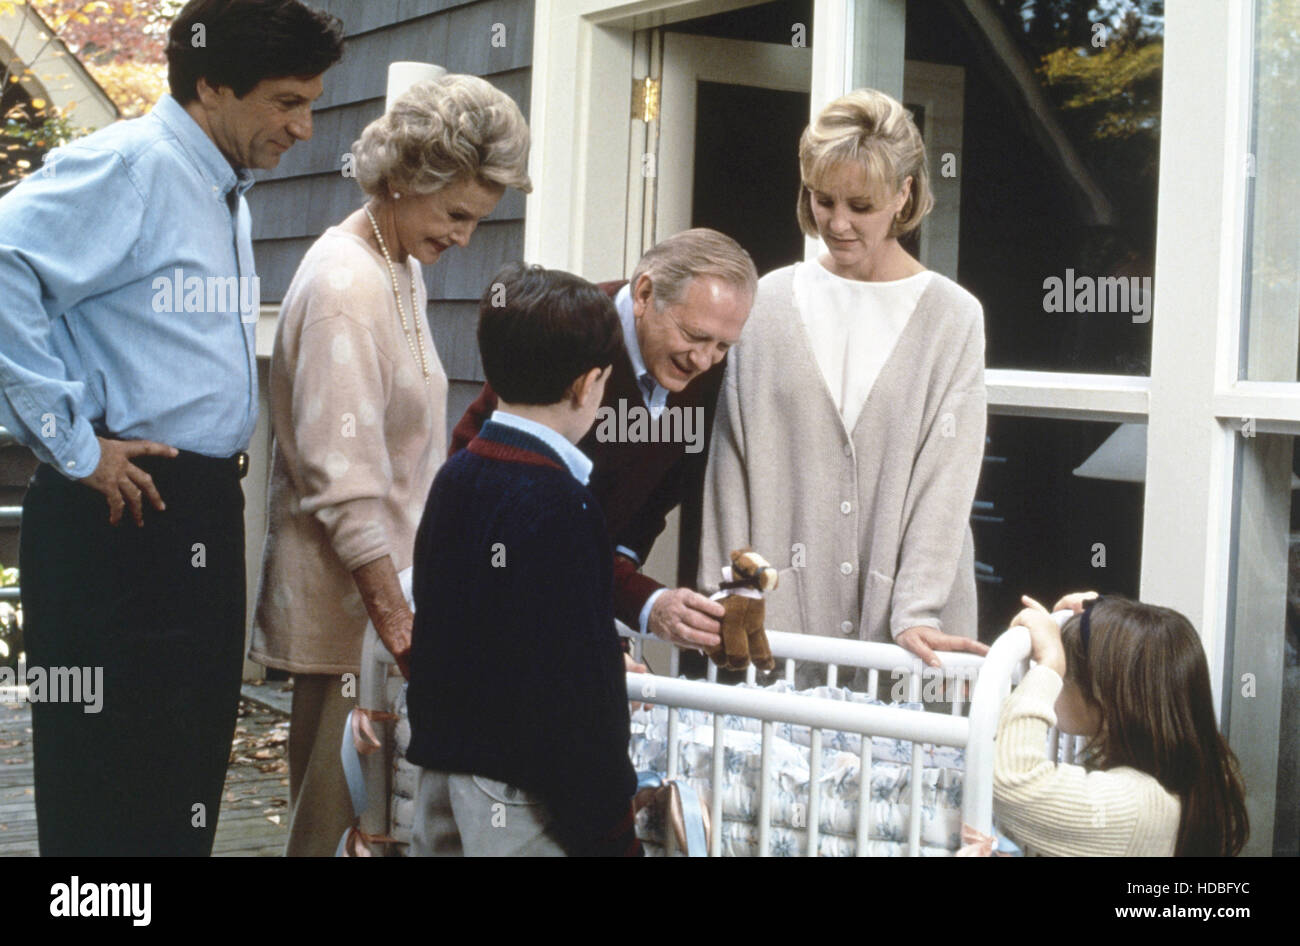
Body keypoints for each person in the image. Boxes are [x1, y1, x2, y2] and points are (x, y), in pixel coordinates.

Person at [0, 0, 343, 856]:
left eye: (310, 102)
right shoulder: (136, 165)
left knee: (180, 771)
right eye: (286, 101)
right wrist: (74, 445)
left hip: (190, 507)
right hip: (121, 513)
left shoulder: (221, 188)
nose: (303, 126)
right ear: (212, 85)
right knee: (108, 784)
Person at [248, 74, 531, 857]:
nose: (467, 237)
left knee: (376, 831)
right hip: (351, 622)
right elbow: (343, 487)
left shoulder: (397, 264)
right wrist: (400, 628)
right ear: (404, 182)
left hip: (384, 610)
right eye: (458, 215)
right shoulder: (347, 283)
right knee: (332, 830)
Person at [699, 88, 988, 672]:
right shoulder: (769, 302)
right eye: (822, 199)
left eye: (861, 205)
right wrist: (733, 593)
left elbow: (947, 478)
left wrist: (917, 610)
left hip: (912, 634)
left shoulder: (953, 317)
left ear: (904, 193)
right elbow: (731, 466)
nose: (837, 222)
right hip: (782, 624)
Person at [406, 263, 640, 857]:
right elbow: (580, 690)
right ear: (588, 385)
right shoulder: (565, 503)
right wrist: (612, 828)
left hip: (439, 772)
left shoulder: (455, 477)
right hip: (519, 797)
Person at [450, 229, 756, 655]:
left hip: (584, 589)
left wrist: (621, 573)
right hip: (512, 595)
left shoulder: (709, 374)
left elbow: (666, 485)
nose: (704, 361)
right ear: (645, 294)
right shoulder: (565, 330)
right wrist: (637, 598)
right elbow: (482, 473)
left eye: (723, 346)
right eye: (694, 336)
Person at [995, 592, 1249, 856]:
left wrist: (1048, 665)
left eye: (1067, 670)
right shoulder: (1196, 781)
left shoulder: (1136, 807)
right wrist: (1103, 614)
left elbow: (1012, 781)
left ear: (1104, 695)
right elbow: (1143, 658)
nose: (1062, 680)